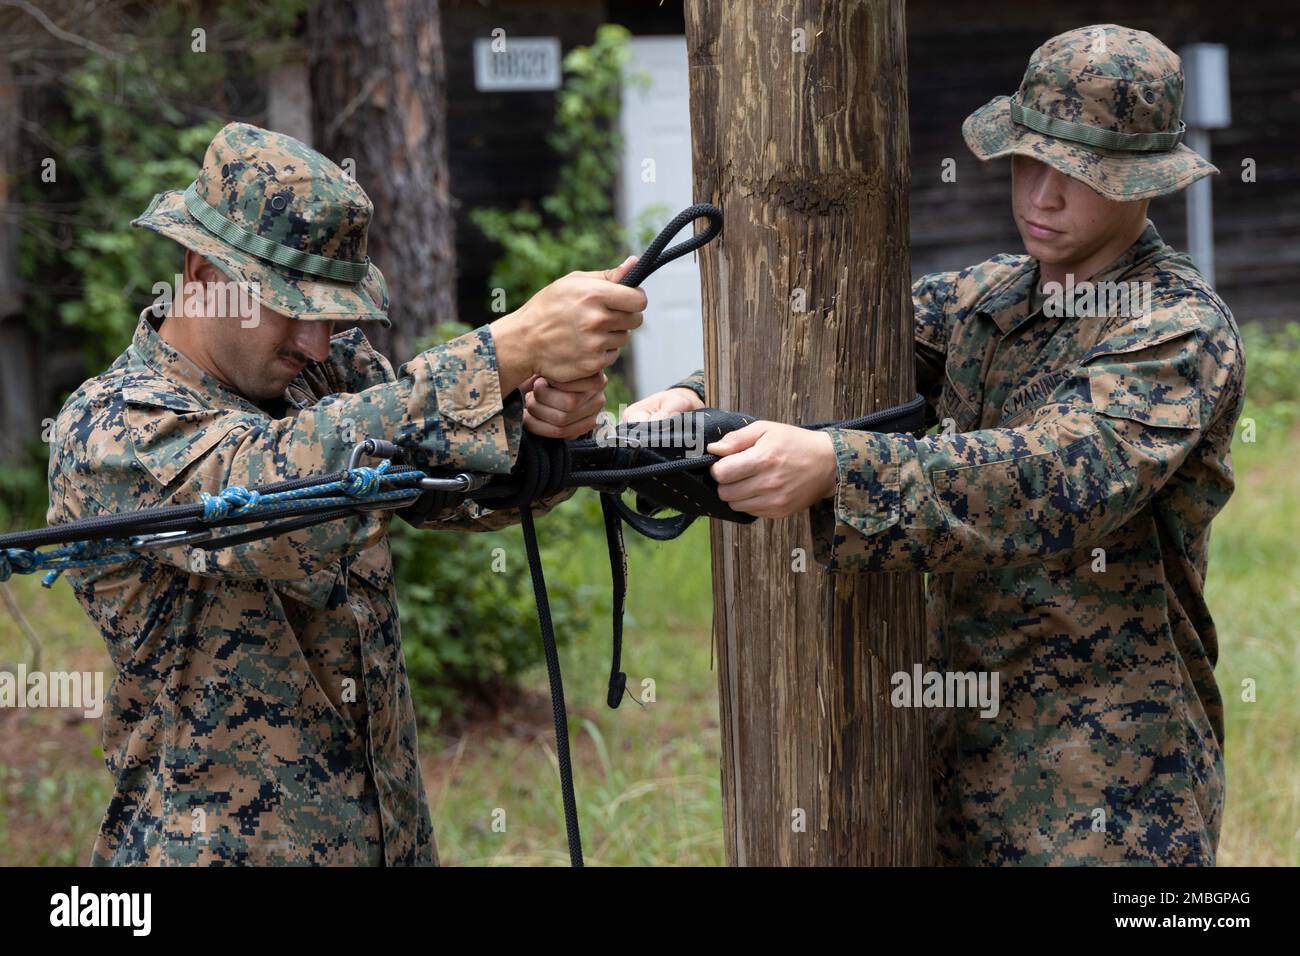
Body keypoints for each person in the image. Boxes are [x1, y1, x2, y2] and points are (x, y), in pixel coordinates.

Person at [628, 25, 1245, 865]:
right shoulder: (986, 299)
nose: (1043, 197)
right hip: (950, 767)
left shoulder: (1176, 327)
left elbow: (1059, 477)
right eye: (1030, 163)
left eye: (1079, 177)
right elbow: (824, 351)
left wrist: (837, 468)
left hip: (1108, 792)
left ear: (1145, 186)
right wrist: (693, 398)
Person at [47, 122, 647, 865]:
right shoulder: (109, 429)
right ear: (201, 272)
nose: (319, 343)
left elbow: (443, 485)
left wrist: (547, 425)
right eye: (294, 308)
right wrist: (507, 349)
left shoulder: (318, 377)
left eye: (334, 316)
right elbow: (272, 495)